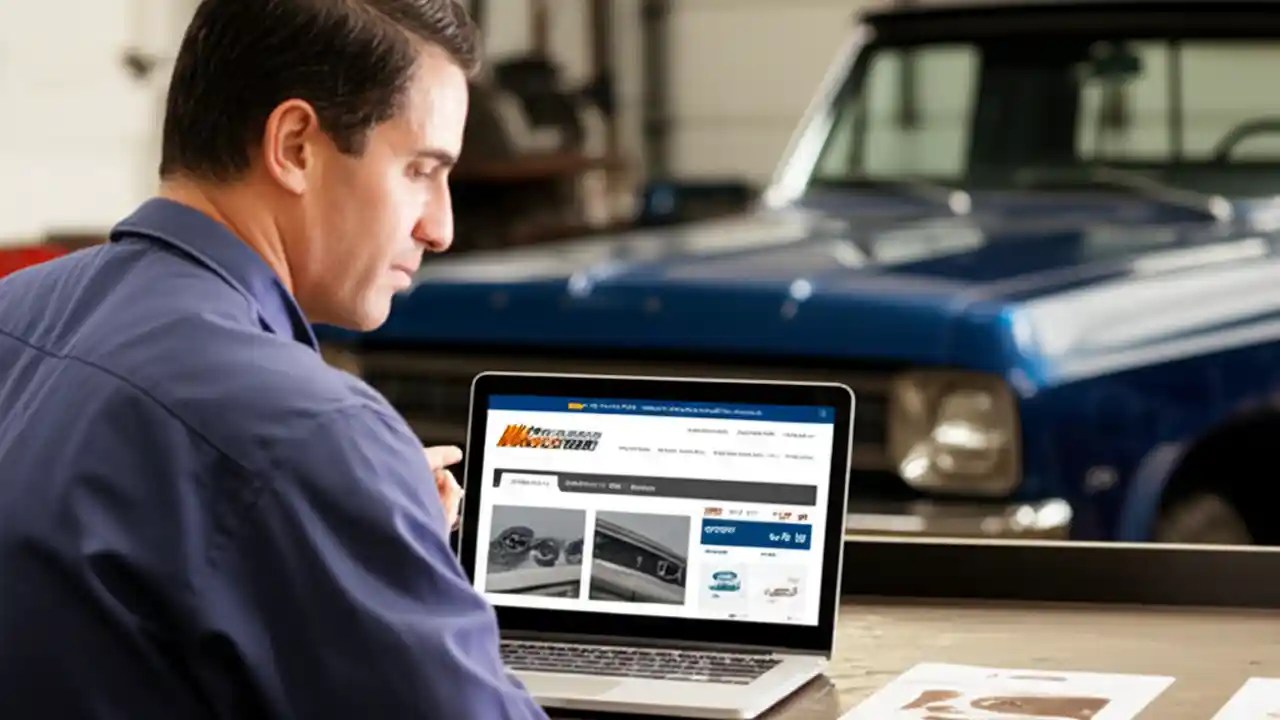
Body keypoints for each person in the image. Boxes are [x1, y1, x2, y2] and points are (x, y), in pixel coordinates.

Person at [0, 1, 549, 718]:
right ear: (294, 145)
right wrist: (352, 491)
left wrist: (365, 513)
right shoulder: (309, 434)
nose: (439, 226)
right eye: (421, 169)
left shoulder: (16, 315)